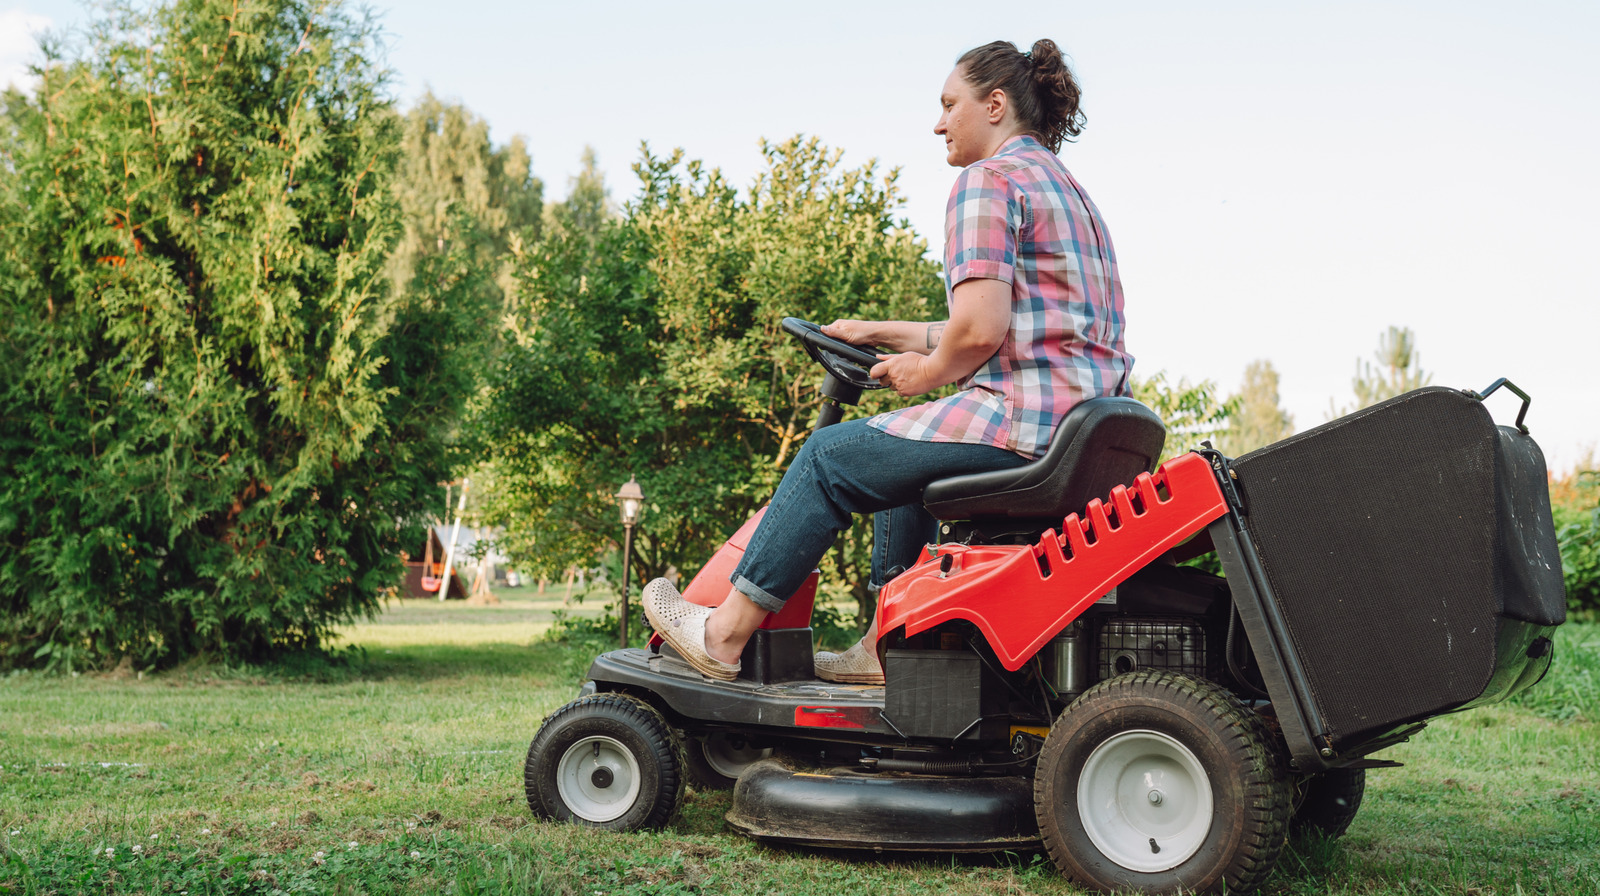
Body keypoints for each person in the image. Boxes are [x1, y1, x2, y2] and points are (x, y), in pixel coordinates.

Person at [642, 38, 1132, 684]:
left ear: (993, 105)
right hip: (1077, 431)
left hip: (1022, 425)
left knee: (829, 459)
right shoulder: (1073, 196)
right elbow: (1010, 327)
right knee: (906, 466)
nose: (937, 122)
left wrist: (925, 373)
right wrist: (882, 332)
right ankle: (884, 642)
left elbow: (980, 331)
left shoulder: (987, 182)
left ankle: (723, 634)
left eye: (948, 104)